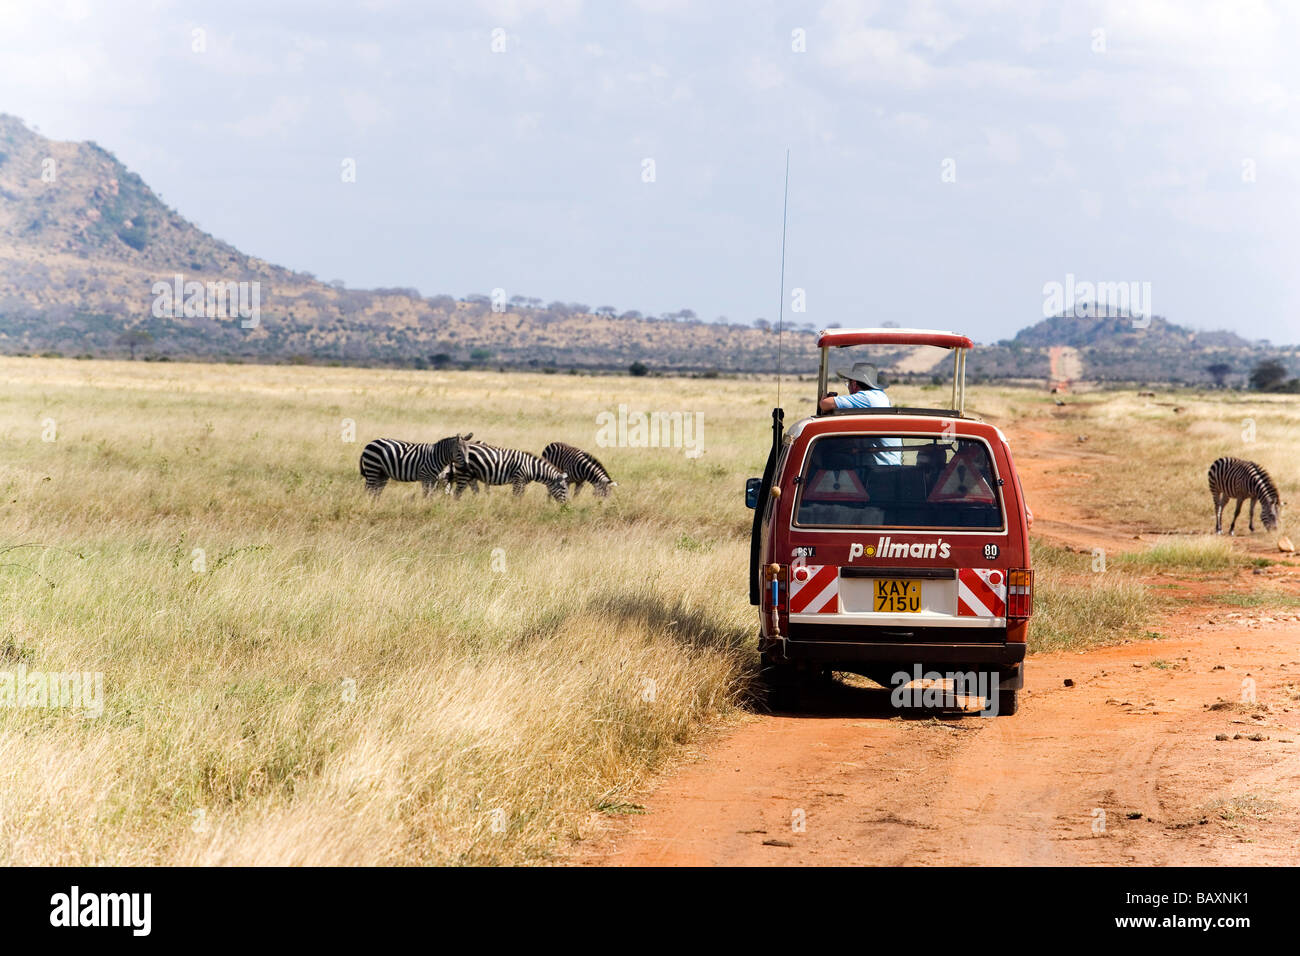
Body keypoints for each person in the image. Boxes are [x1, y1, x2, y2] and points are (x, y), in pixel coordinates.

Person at [818, 362, 902, 465]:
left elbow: (825, 404)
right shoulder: (880, 395)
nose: (848, 387)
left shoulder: (866, 397)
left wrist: (824, 398)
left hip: (880, 469)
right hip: (890, 465)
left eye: (848, 383)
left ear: (854, 384)